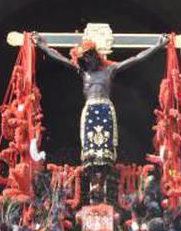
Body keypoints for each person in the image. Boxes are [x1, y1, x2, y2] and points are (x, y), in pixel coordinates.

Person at [34, 31, 167, 167]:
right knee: (90, 144)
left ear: (95, 56)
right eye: (84, 57)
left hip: (105, 108)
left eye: (89, 56)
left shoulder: (110, 70)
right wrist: (41, 45)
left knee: (106, 145)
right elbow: (59, 58)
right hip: (90, 108)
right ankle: (92, 172)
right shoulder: (83, 72)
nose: (88, 59)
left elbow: (136, 59)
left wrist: (158, 45)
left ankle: (105, 170)